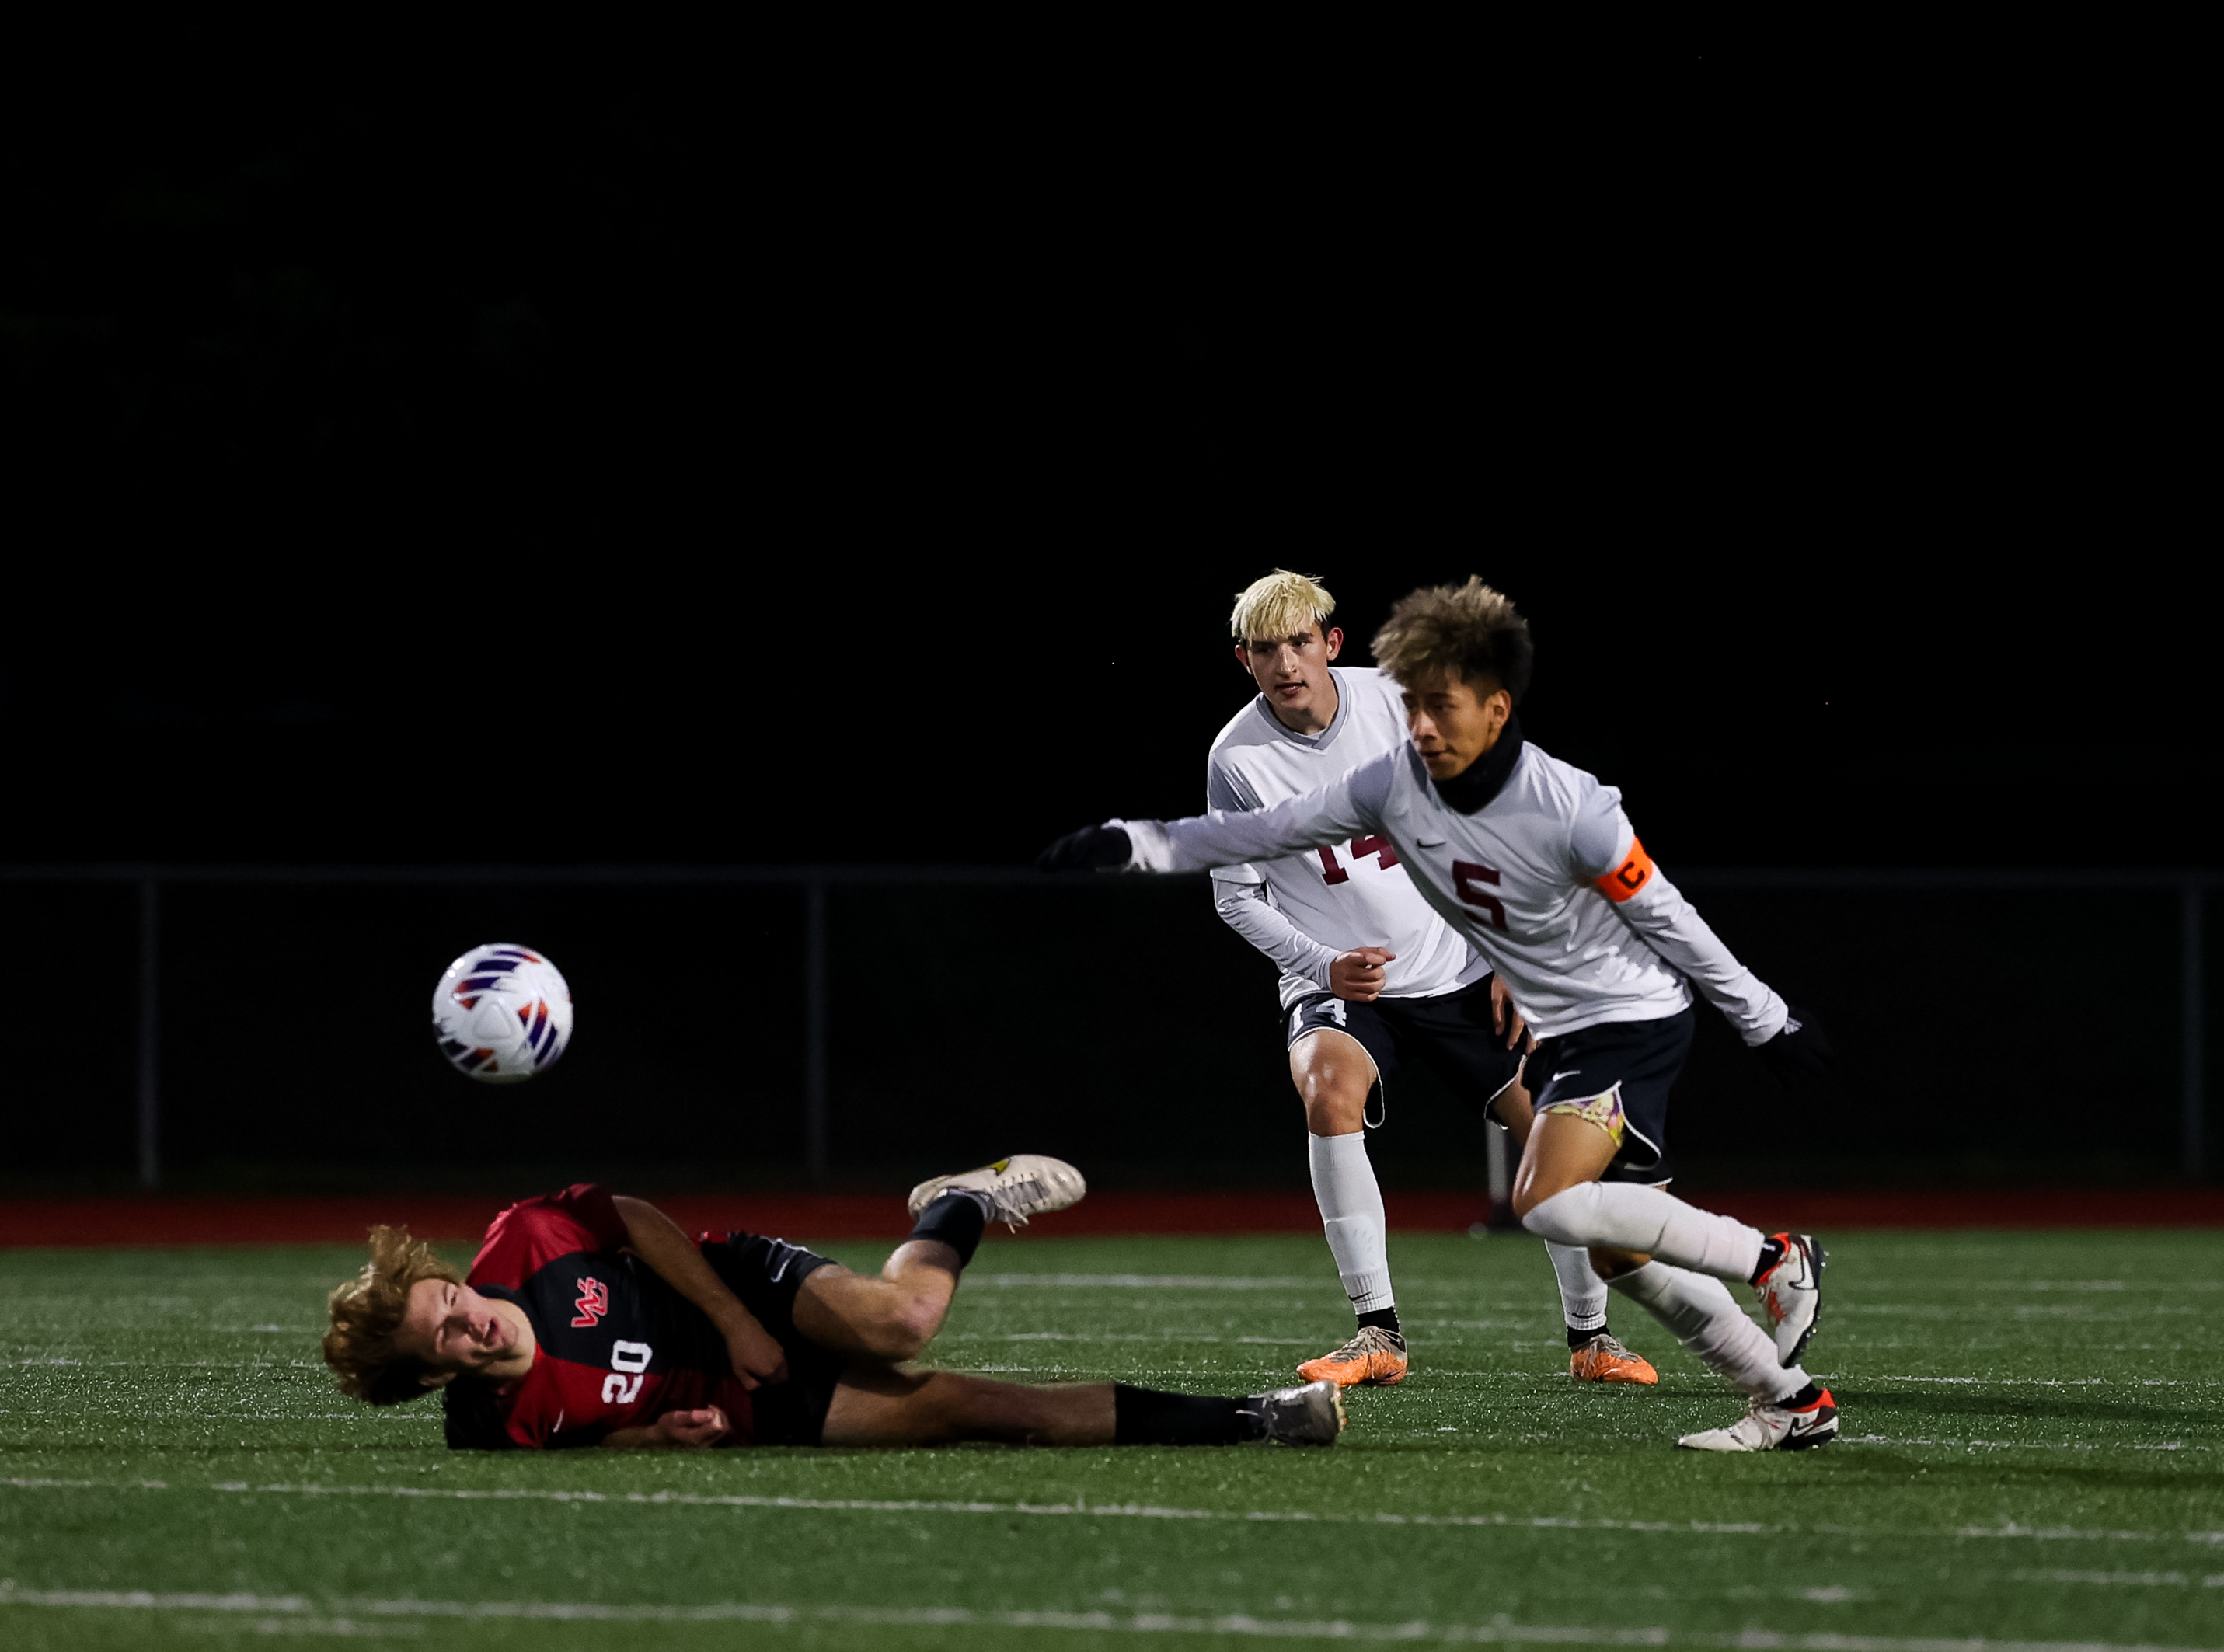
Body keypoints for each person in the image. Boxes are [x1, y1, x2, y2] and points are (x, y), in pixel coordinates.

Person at [1040, 579, 1839, 1452]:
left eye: (1438, 707)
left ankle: (1762, 1278)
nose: (1417, 725)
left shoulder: (1572, 802)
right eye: (1413, 704)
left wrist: (1765, 1019)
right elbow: (1263, 837)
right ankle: (1784, 1362)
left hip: (1618, 1019)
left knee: (1570, 1208)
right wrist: (1140, 841)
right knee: (1590, 1222)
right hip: (1523, 1012)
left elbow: (1661, 915)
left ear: (1496, 711)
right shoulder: (1397, 776)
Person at [1209, 569, 1654, 1390]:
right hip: (1346, 983)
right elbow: (1235, 898)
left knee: (1560, 1128)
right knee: (1327, 1091)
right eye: (1266, 648)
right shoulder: (1237, 758)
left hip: (1459, 967)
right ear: (1245, 659)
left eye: (1300, 641)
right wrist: (1323, 965)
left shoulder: (1397, 700)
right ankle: (1377, 1332)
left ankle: (1593, 1337)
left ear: (1331, 643)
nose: (1287, 662)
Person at [322, 1155, 1344, 1451]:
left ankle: (956, 1199)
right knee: (977, 1409)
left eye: (449, 1296)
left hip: (734, 1288)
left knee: (903, 1320)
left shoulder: (520, 1242)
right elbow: (586, 1440)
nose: (469, 1317)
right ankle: (1259, 1416)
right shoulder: (490, 1427)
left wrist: (728, 1318)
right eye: (446, 1336)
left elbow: (632, 1212)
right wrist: (665, 1437)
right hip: (748, 1406)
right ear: (430, 1375)